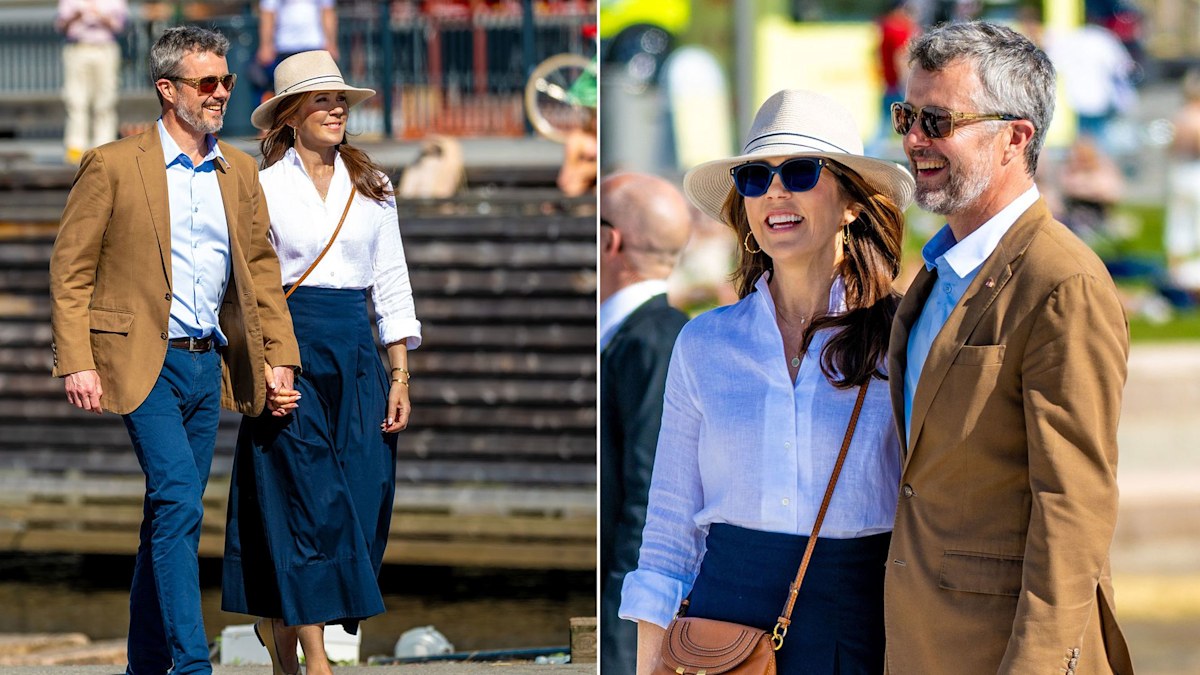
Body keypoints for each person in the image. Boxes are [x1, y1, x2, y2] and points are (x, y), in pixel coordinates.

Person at [620, 89, 915, 675]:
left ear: (853, 202)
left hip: (863, 616)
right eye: (757, 176)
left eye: (800, 171)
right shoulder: (704, 344)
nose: (775, 190)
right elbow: (670, 527)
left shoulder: (902, 340)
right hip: (718, 623)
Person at [48, 25, 301, 674]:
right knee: (181, 502)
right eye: (206, 83)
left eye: (226, 82)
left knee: (167, 513)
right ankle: (192, 664)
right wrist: (75, 357)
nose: (220, 94)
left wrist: (280, 355)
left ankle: (146, 662)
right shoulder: (113, 165)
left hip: (204, 364)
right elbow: (70, 267)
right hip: (139, 363)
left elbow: (259, 270)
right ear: (168, 89)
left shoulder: (239, 171)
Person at [885, 21, 1135, 673]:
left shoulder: (1062, 281)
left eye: (937, 121)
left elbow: (1073, 505)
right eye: (906, 114)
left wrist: (1038, 665)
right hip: (921, 641)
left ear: (1015, 138)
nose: (913, 139)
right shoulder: (938, 270)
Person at [222, 50, 421, 675]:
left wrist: (400, 374)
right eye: (321, 100)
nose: (336, 109)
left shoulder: (374, 185)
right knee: (309, 503)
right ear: (288, 115)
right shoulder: (261, 185)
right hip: (290, 350)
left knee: (364, 499)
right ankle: (315, 659)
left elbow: (391, 281)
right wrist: (264, 365)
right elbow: (250, 285)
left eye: (340, 100)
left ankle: (279, 621)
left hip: (357, 353)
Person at [598, 172, 692, 675]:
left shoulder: (653, 342)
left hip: (626, 614)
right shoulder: (643, 336)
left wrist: (620, 640)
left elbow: (650, 500)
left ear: (609, 240)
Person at [55, 0, 129, 164]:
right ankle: (75, 148)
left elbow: (120, 26)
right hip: (77, 48)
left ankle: (105, 148)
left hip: (105, 48)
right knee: (75, 100)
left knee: (105, 101)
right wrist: (75, 17)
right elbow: (60, 25)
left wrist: (101, 17)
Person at [254, 0, 338, 103]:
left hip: (314, 46)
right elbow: (268, 13)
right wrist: (265, 45)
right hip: (285, 47)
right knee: (288, 96)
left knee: (316, 93)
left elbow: (327, 10)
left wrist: (331, 43)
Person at [1165, 68, 1200, 293]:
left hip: (1179, 171)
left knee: (1178, 222)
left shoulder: (1181, 115)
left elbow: (1172, 147)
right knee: (1194, 220)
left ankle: (1176, 271)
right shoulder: (1195, 116)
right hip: (1194, 171)